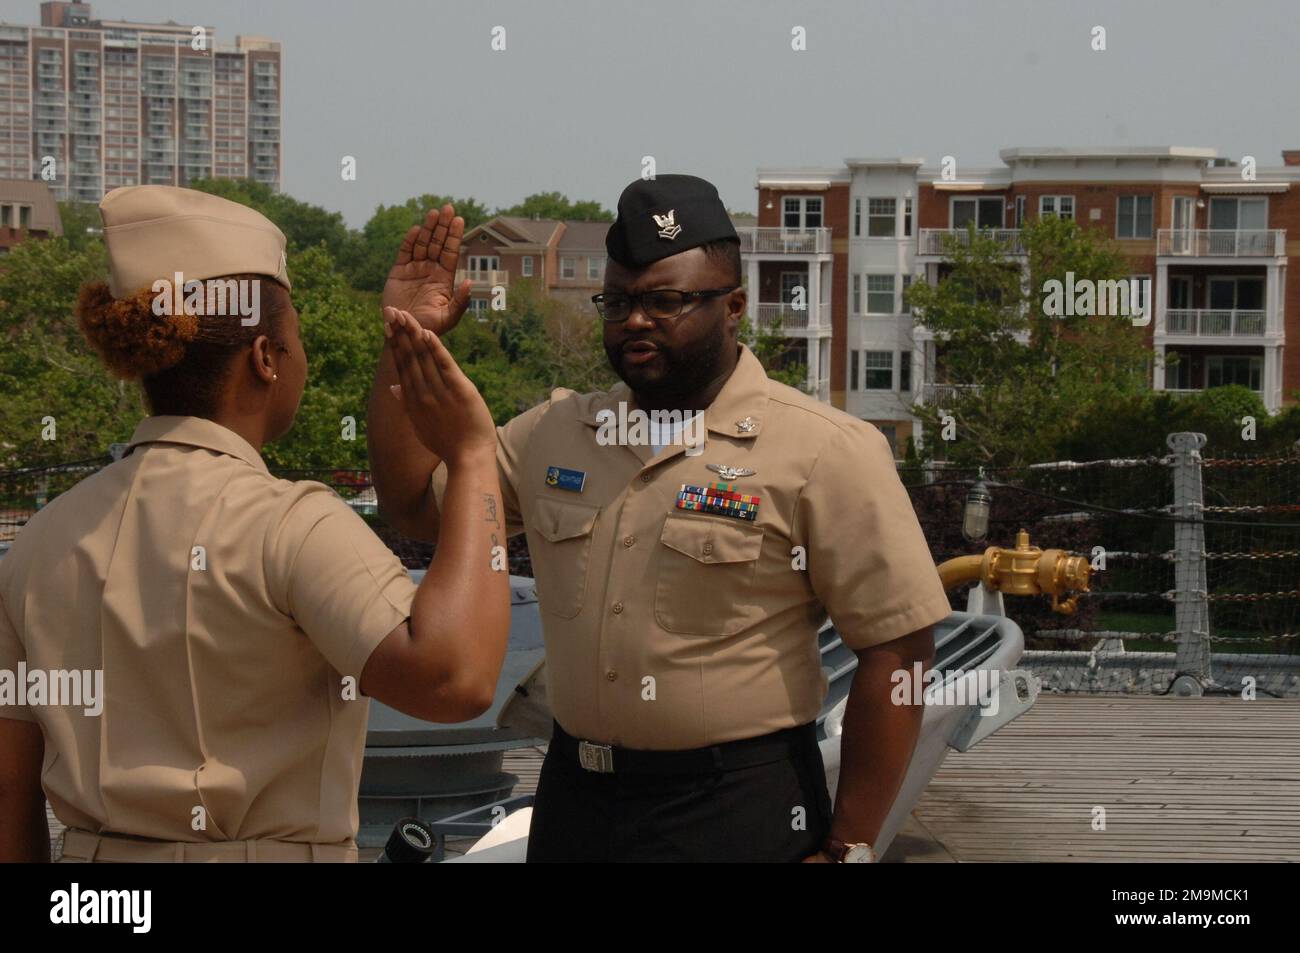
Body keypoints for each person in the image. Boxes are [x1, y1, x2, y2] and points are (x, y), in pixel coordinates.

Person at [368, 176, 952, 863]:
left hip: (735, 810)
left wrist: (850, 847)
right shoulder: (556, 434)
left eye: (666, 300)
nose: (636, 320)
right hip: (575, 805)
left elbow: (899, 650)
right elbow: (415, 506)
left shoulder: (827, 451)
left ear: (733, 306)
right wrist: (404, 339)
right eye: (619, 301)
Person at [0, 185, 510, 863]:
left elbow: (10, 791)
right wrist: (472, 454)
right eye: (295, 341)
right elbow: (455, 678)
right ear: (266, 358)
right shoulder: (292, 525)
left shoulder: (40, 541)